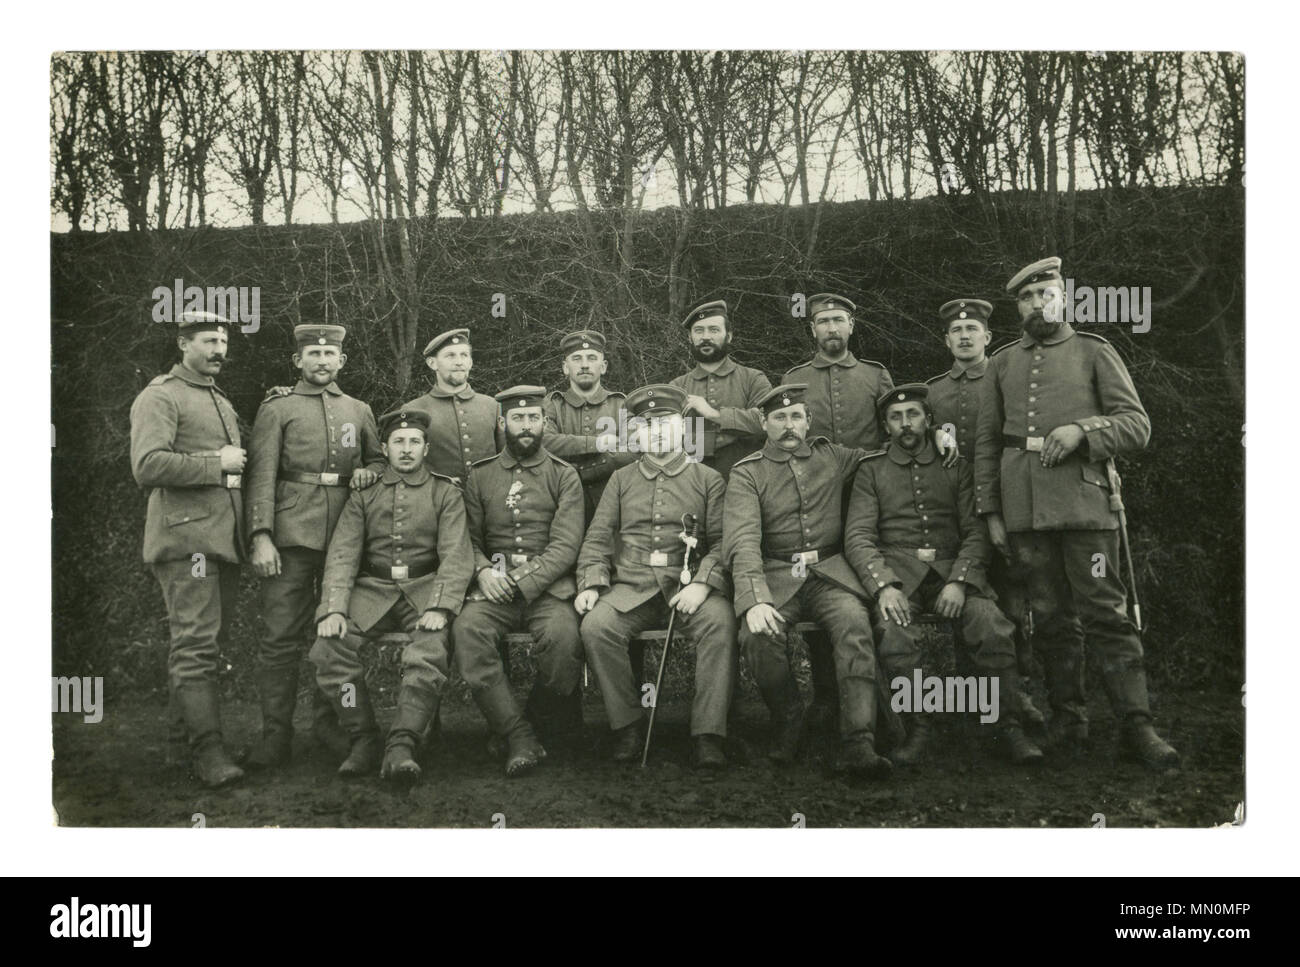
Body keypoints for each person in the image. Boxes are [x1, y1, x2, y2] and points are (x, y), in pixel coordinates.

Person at [974, 256, 1178, 768]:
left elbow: (1136, 424)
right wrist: (992, 512)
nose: (1037, 305)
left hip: (1085, 509)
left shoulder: (1093, 351)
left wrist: (1082, 432)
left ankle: (1137, 725)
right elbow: (985, 445)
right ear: (1017, 306)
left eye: (1046, 295)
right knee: (1050, 618)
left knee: (1105, 613)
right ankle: (1070, 720)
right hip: (1026, 515)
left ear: (1064, 298)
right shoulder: (1001, 363)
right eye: (1026, 298)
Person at [846, 384, 1044, 766]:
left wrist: (959, 580)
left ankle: (1007, 726)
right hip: (900, 573)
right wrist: (884, 586)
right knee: (893, 631)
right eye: (896, 417)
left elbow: (975, 529)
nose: (906, 424)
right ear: (885, 426)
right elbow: (858, 536)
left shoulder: (957, 465)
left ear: (929, 419)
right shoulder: (871, 470)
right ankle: (919, 726)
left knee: (992, 625)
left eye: (913, 415)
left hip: (954, 568)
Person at [724, 384, 891, 776]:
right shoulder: (747, 473)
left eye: (796, 416)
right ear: (763, 423)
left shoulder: (832, 456)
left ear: (808, 421)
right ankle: (789, 718)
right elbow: (742, 540)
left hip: (830, 574)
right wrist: (754, 599)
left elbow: (885, 454)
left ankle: (858, 740)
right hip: (778, 576)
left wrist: (938, 433)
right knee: (756, 635)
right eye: (779, 418)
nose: (788, 425)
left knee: (855, 625)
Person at [241, 324, 385, 769]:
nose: (322, 361)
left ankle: (332, 728)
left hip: (347, 537)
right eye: (313, 354)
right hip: (291, 536)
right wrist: (261, 535)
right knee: (281, 637)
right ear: (297, 361)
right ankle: (275, 736)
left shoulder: (358, 410)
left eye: (330, 354)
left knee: (335, 633)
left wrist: (369, 471)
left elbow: (378, 458)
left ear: (342, 361)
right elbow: (261, 474)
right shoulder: (278, 408)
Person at [574, 384, 738, 769]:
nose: (657, 432)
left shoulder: (708, 479)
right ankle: (628, 724)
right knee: (596, 627)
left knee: (720, 622)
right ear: (636, 433)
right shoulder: (621, 479)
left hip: (688, 587)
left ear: (682, 427)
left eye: (665, 422)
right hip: (631, 587)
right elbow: (598, 536)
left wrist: (701, 585)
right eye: (646, 425)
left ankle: (708, 733)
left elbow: (722, 543)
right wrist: (592, 583)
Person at [308, 408, 473, 781]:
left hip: (424, 590)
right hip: (374, 592)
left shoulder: (445, 492)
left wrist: (442, 605)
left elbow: (456, 555)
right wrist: (333, 608)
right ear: (384, 447)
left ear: (426, 448)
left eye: (415, 442)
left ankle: (403, 743)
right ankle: (362, 737)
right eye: (399, 442)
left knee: (427, 653)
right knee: (329, 649)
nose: (407, 449)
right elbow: (343, 553)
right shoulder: (365, 495)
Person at [129, 310, 247, 788]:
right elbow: (148, 465)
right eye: (208, 341)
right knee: (196, 645)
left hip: (221, 541)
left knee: (205, 645)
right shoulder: (160, 396)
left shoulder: (217, 397)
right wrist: (214, 463)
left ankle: (185, 747)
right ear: (183, 344)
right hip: (186, 542)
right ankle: (208, 752)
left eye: (222, 341)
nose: (219, 350)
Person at [925, 298, 1044, 735]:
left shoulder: (1008, 379)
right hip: (955, 513)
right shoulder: (933, 391)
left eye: (972, 330)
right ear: (946, 340)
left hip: (1006, 503)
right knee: (963, 599)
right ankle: (973, 697)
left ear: (988, 337)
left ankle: (1018, 695)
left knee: (1011, 602)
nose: (964, 337)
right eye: (956, 332)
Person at [454, 386, 585, 776]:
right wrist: (481, 571)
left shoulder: (564, 476)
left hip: (548, 590)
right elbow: (468, 539)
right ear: (502, 423)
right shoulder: (480, 476)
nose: (526, 426)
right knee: (467, 632)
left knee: (565, 642)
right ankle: (520, 736)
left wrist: (519, 580)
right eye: (517, 418)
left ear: (544, 423)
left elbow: (565, 546)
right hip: (492, 591)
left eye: (533, 419)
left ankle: (520, 727)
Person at [670, 299, 772, 480]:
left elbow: (766, 423)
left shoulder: (753, 378)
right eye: (699, 331)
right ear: (690, 338)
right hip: (691, 483)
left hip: (747, 480)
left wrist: (713, 414)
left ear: (729, 336)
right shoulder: (677, 387)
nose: (706, 337)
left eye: (714, 330)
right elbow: (668, 438)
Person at [541, 330, 633, 522]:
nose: (584, 365)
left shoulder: (621, 404)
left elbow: (631, 452)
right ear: (566, 367)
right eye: (577, 359)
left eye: (592, 358)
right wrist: (598, 444)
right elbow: (544, 443)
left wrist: (579, 471)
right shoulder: (552, 404)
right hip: (561, 503)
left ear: (604, 366)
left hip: (613, 504)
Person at [399, 328, 503, 482]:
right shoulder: (414, 410)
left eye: (464, 355)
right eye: (450, 356)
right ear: (432, 363)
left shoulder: (492, 406)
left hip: (488, 498)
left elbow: (506, 457)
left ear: (471, 362)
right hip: (438, 501)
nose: (459, 362)